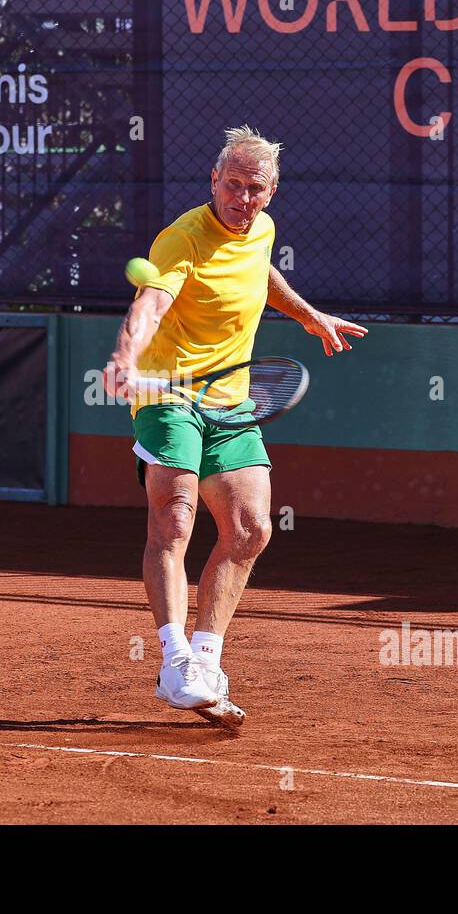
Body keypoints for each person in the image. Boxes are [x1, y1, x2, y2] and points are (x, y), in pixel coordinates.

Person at [104, 126, 367, 727]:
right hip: (168, 395)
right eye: (231, 185)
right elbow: (151, 304)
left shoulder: (262, 230)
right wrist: (125, 357)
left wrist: (308, 315)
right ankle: (173, 664)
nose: (241, 199)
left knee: (250, 531)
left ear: (270, 192)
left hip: (231, 401)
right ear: (213, 182)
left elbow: (259, 273)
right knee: (174, 519)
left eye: (254, 189)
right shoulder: (182, 238)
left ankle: (206, 662)